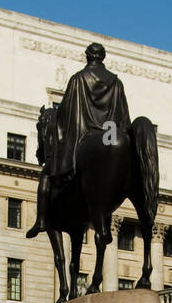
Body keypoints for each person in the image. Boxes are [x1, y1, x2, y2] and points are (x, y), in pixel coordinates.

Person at [27, 43, 131, 237]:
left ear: (87, 56)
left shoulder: (78, 79)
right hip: (110, 135)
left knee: (47, 174)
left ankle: (41, 219)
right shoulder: (116, 82)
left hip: (84, 137)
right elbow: (122, 115)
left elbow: (66, 113)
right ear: (103, 57)